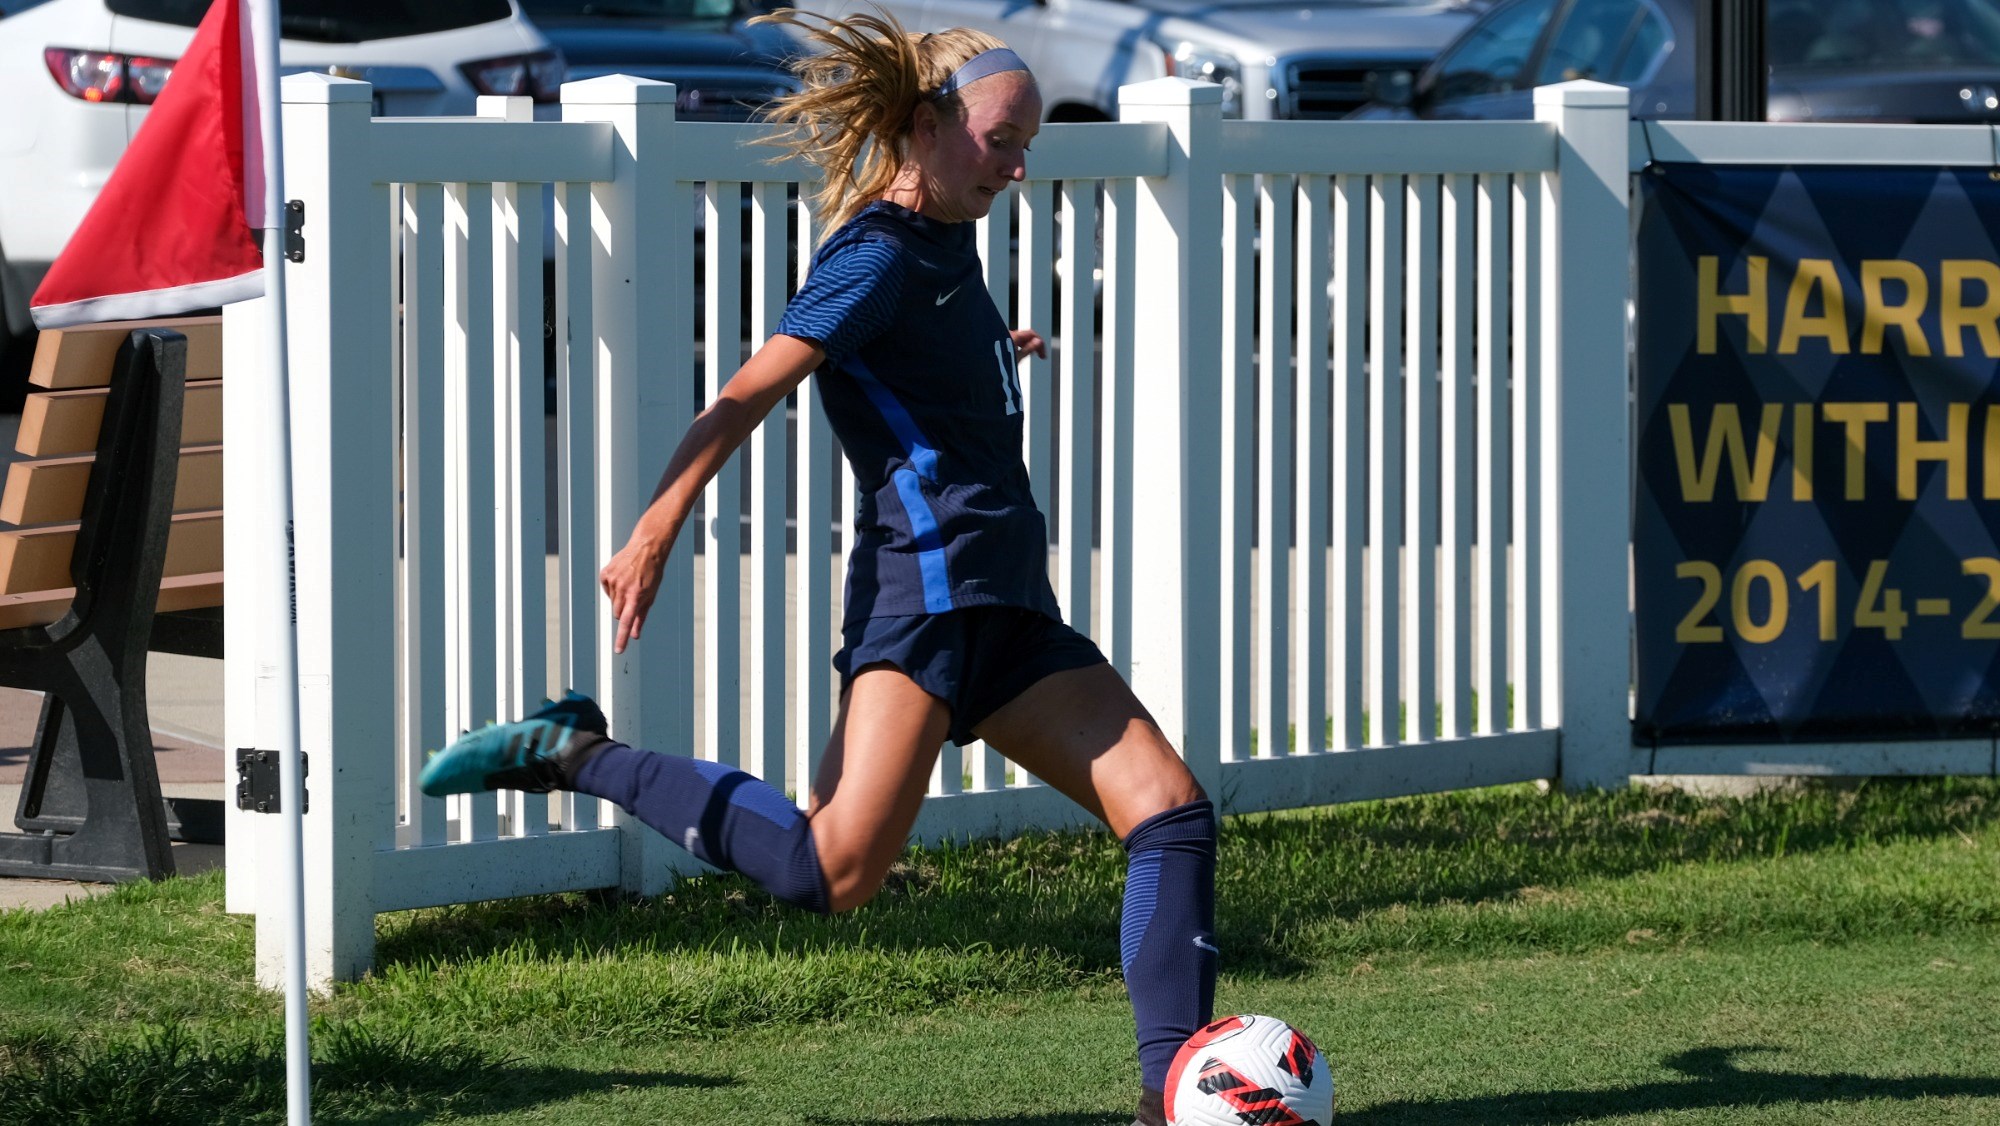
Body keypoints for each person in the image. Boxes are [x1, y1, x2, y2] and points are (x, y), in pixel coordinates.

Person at [419, 10, 1215, 1121]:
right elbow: (749, 388)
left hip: (1009, 605)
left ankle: (1169, 1100)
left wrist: (999, 348)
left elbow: (924, 373)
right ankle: (575, 751)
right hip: (927, 600)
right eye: (1000, 137)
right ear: (924, 125)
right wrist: (656, 523)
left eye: (1027, 141)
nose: (1018, 163)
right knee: (824, 874)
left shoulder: (947, 232)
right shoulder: (875, 256)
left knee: (1170, 815)